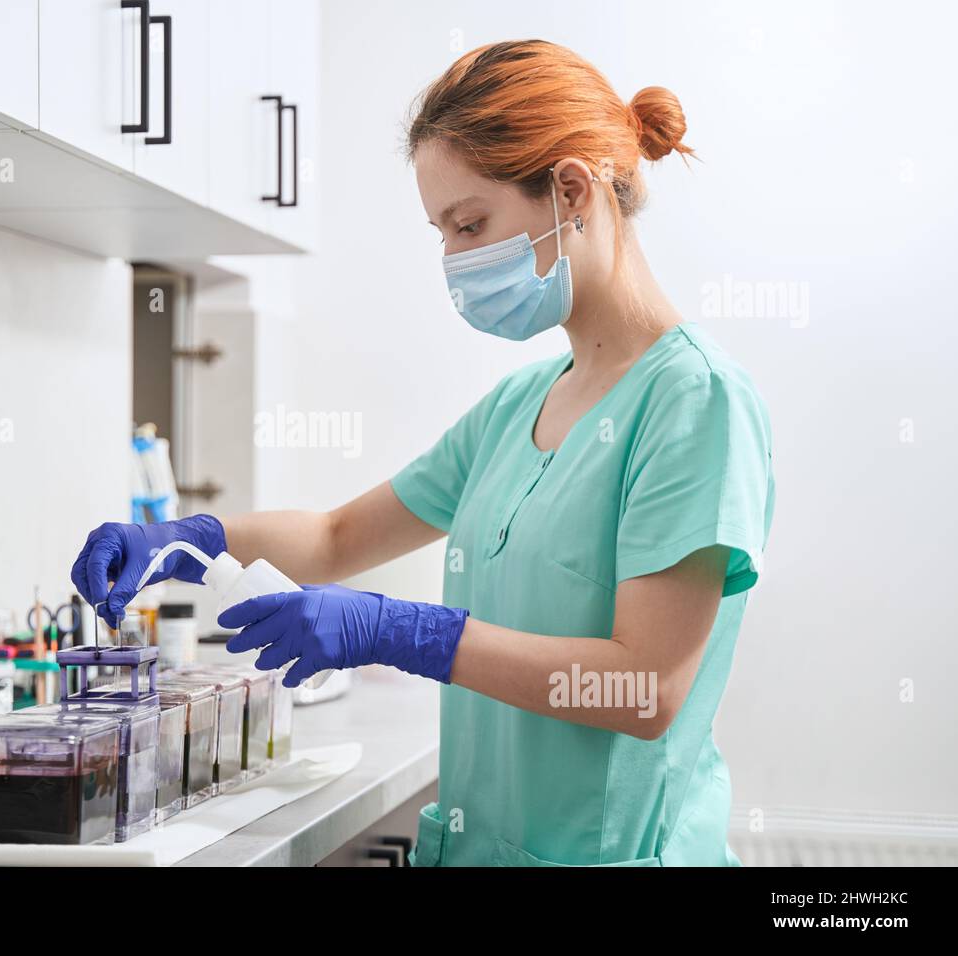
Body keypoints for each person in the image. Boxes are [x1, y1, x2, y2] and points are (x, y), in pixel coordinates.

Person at [71, 40, 775, 867]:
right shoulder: (521, 406)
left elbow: (645, 688)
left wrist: (405, 633)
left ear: (573, 190)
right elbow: (337, 538)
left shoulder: (695, 403)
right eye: (442, 231)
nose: (453, 259)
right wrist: (186, 542)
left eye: (470, 223)